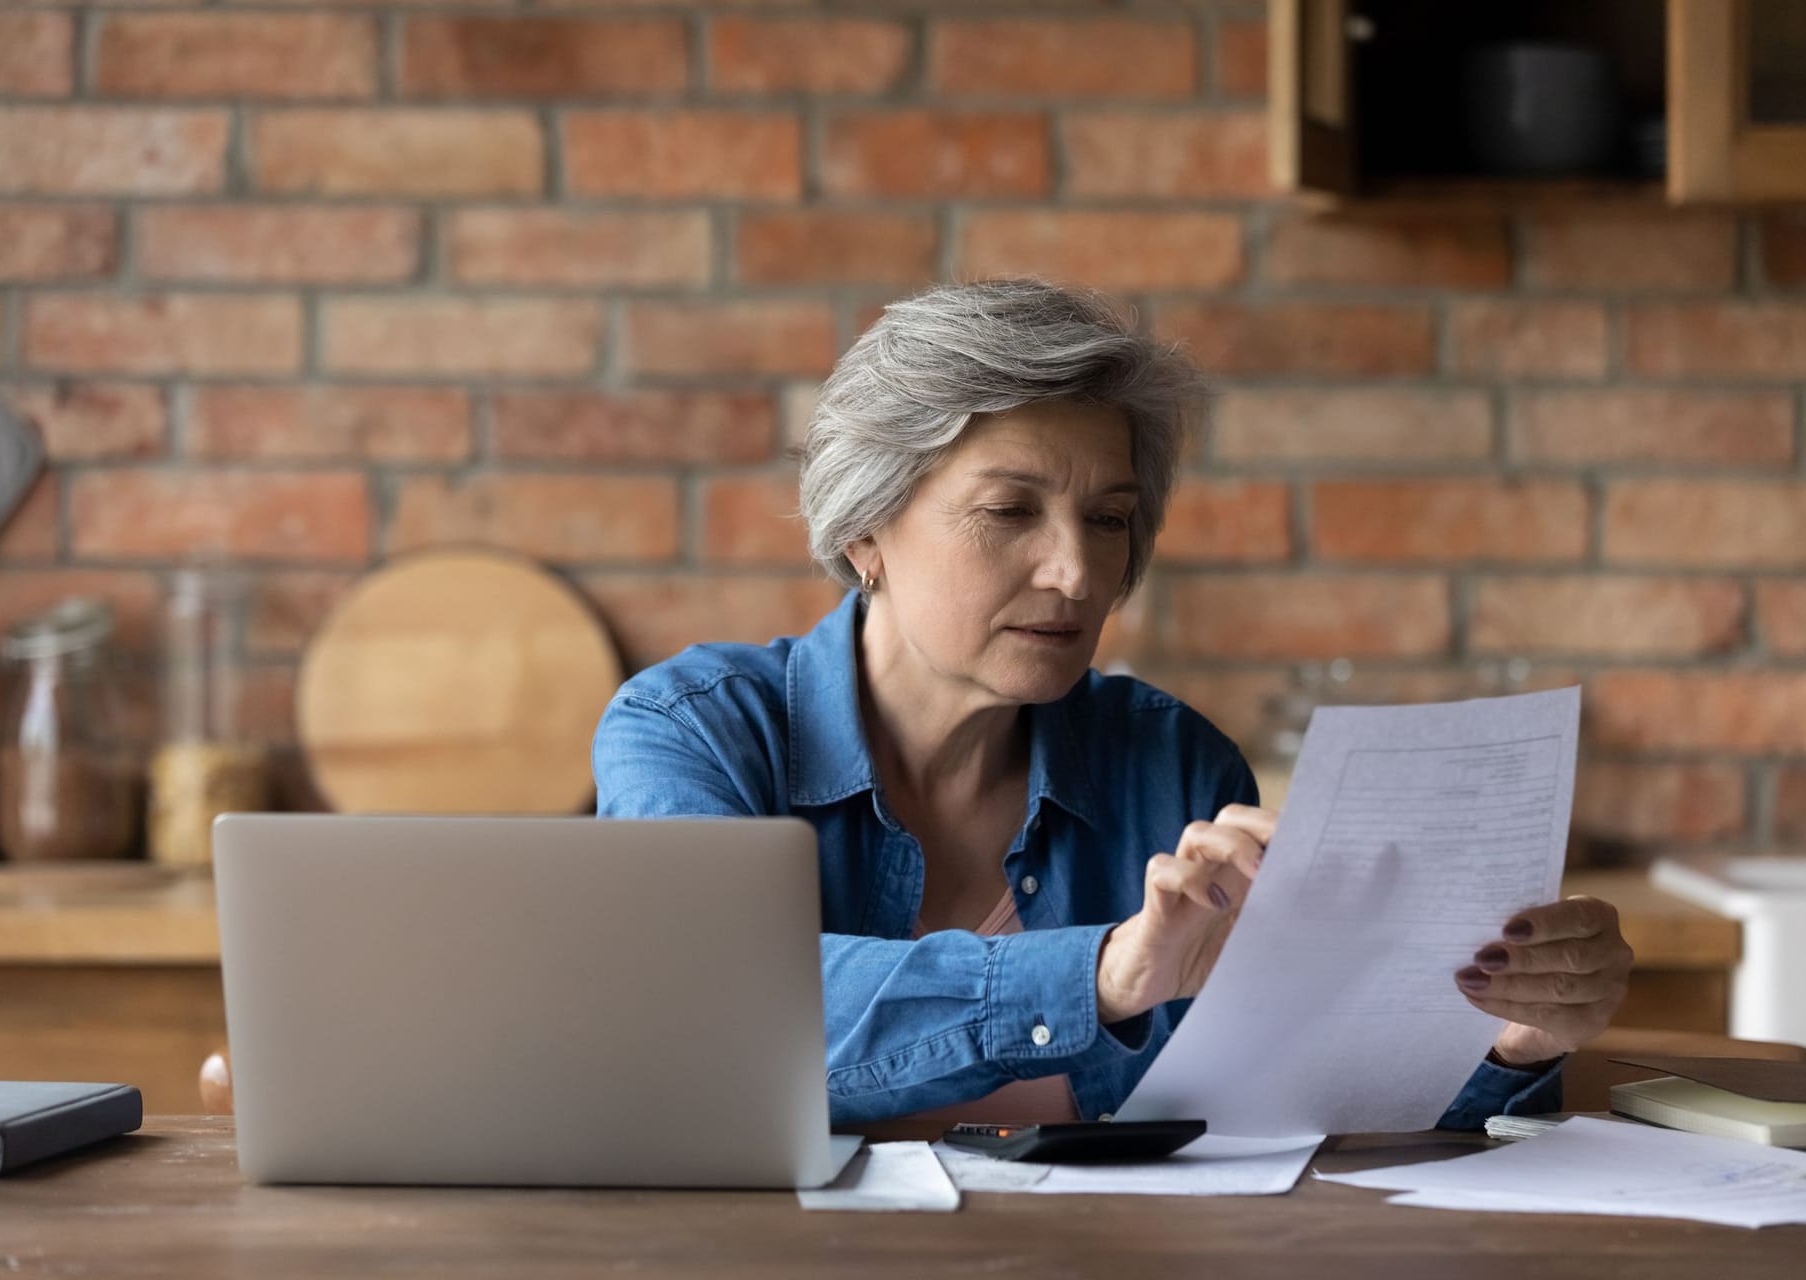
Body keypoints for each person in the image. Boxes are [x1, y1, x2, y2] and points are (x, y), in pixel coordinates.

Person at [592, 279, 1633, 1130]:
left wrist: (1505, 1041)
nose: (1077, 572)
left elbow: (1295, 1106)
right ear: (865, 531)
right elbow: (707, 1013)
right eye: (1010, 510)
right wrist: (1100, 973)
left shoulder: (1175, 766)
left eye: (1111, 519)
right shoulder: (690, 730)